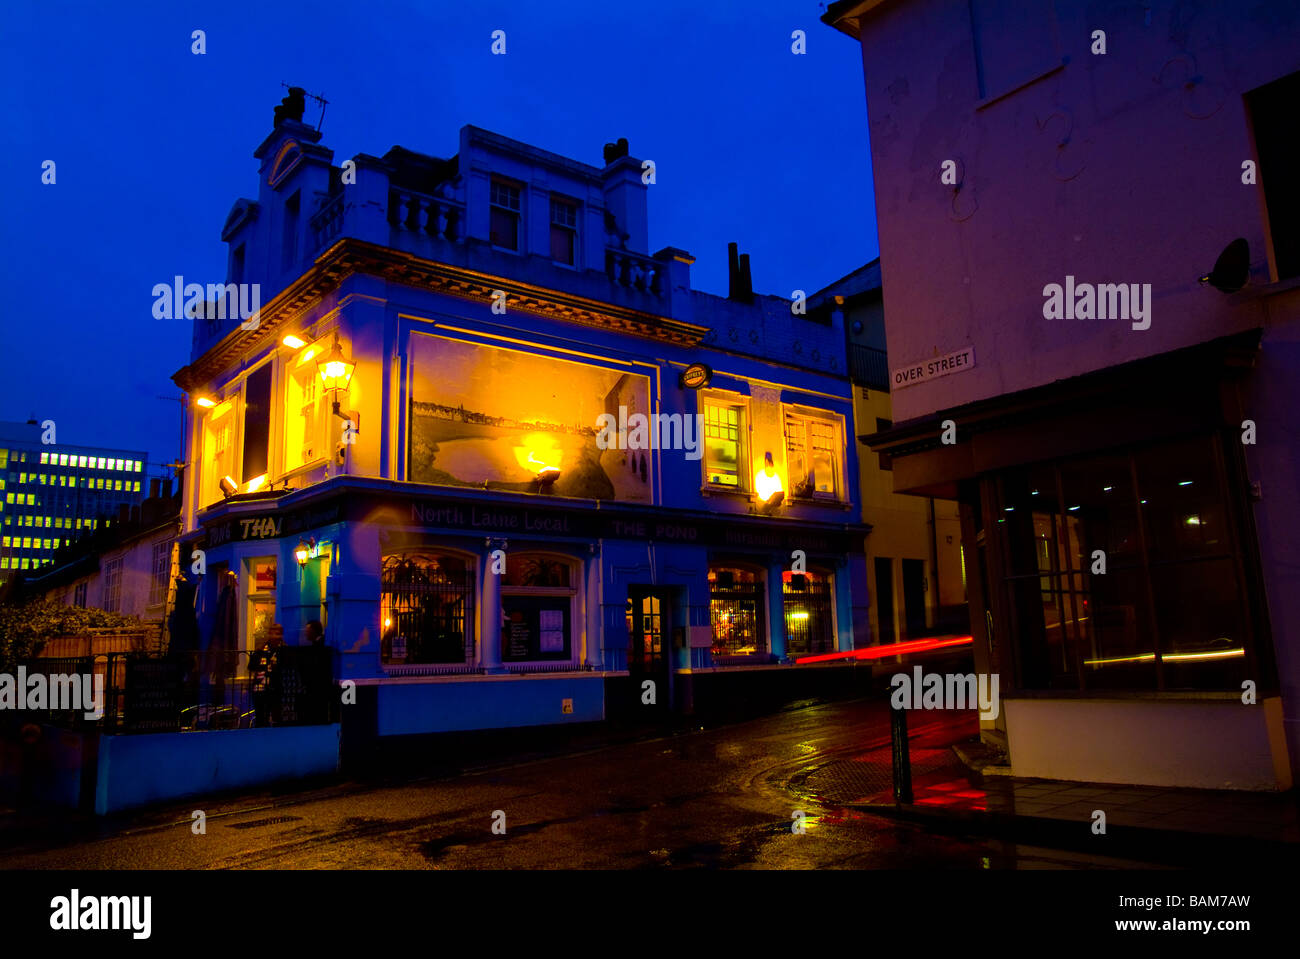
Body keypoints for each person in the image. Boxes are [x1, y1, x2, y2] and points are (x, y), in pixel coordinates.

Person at [249, 626, 284, 727]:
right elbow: (251, 667)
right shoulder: (261, 650)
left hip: (276, 689)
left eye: (277, 634)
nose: (274, 636)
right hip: (260, 689)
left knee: (277, 718)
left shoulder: (283, 651)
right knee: (261, 718)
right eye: (272, 633)